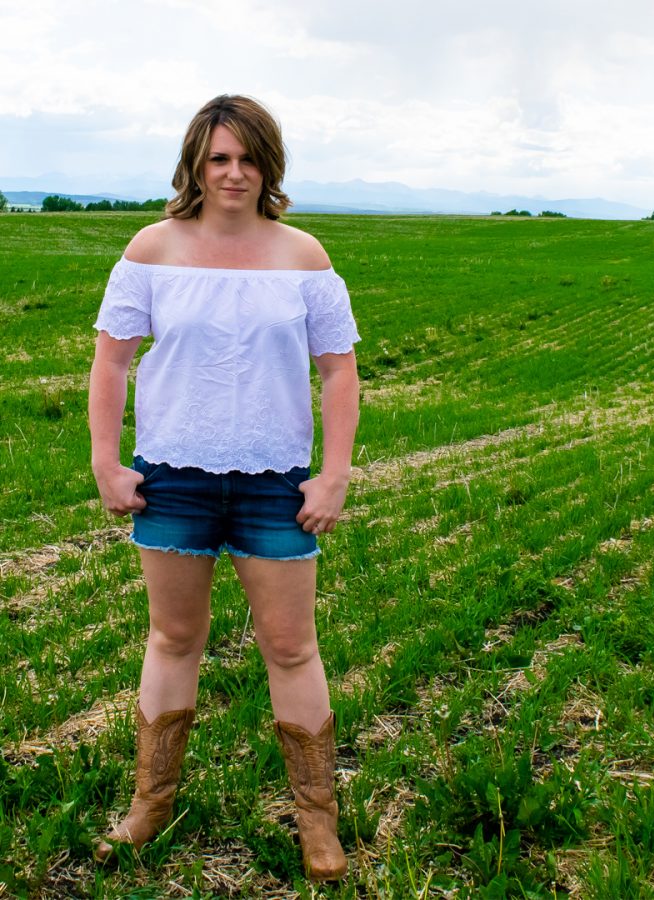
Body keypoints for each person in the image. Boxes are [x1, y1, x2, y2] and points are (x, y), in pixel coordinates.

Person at [88, 94, 360, 881]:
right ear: (195, 167)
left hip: (276, 481)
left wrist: (333, 473)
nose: (233, 172)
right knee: (173, 639)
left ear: (268, 167)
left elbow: (339, 371)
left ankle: (318, 823)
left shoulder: (305, 257)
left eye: (248, 158)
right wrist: (108, 461)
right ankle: (150, 806)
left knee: (290, 646)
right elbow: (112, 361)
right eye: (218, 158)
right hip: (174, 479)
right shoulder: (153, 249)